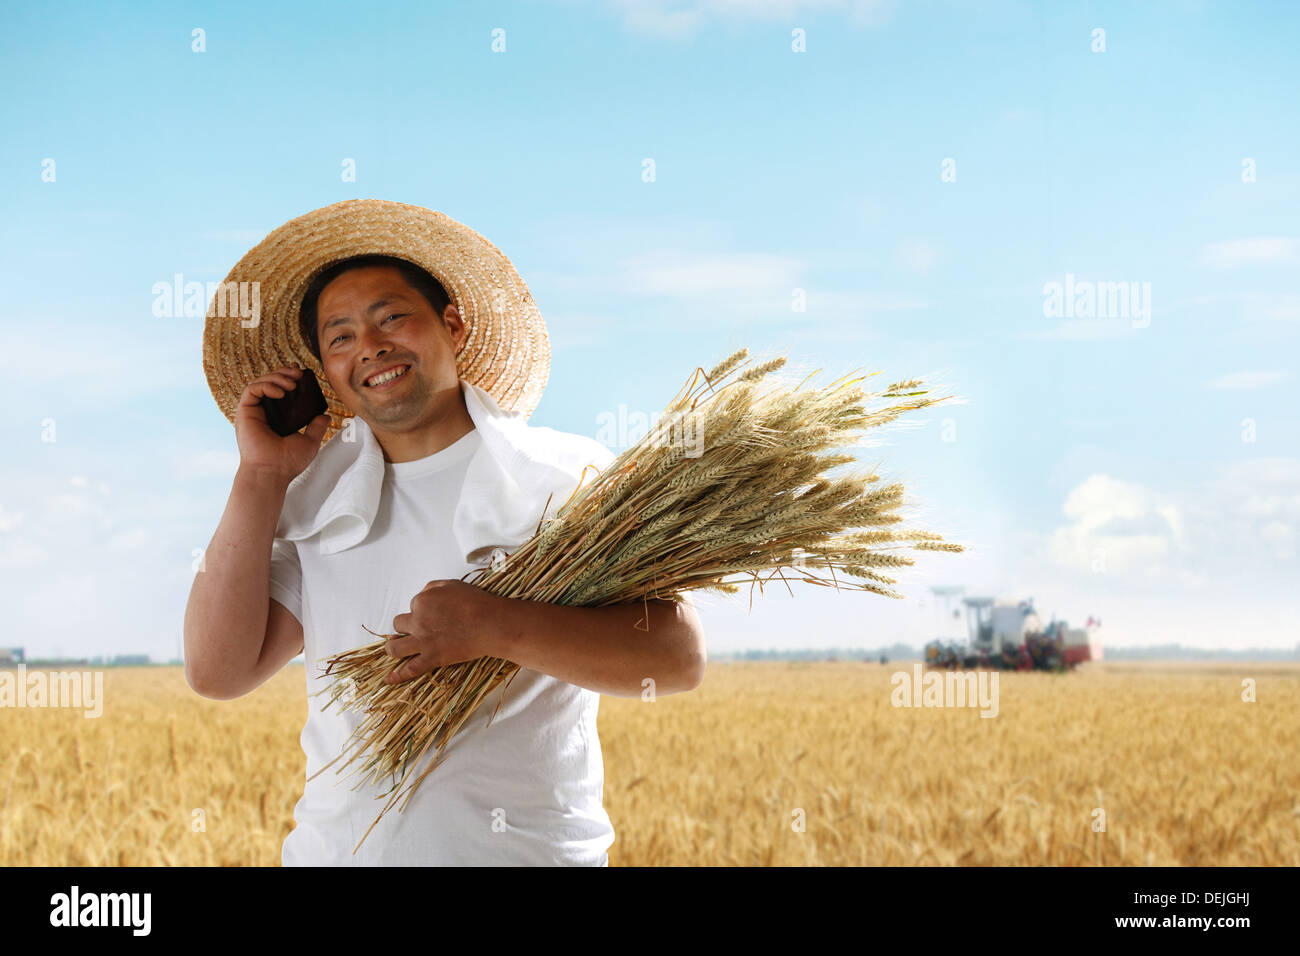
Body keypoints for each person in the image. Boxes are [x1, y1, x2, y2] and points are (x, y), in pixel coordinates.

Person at [184, 200, 707, 865]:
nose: (369, 345)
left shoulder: (563, 478)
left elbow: (676, 660)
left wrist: (494, 628)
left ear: (453, 324)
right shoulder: (314, 498)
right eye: (339, 336)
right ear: (325, 370)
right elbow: (217, 671)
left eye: (392, 316)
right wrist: (259, 475)